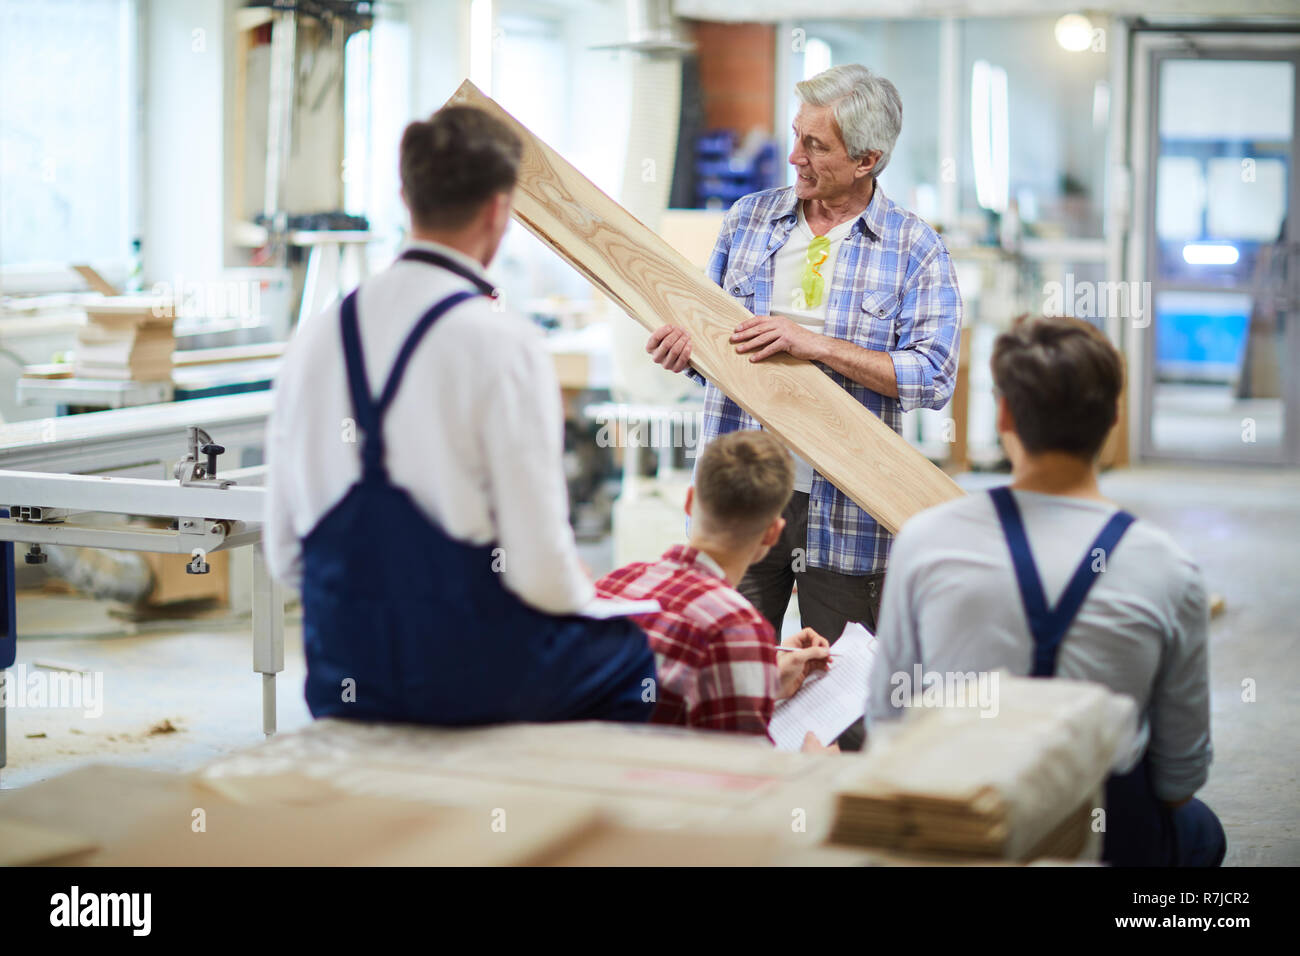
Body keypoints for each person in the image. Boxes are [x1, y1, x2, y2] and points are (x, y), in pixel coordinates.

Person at [264, 105, 655, 725]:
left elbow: (286, 556)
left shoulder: (314, 337)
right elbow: (538, 575)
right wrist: (585, 594)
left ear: (405, 197)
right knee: (635, 664)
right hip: (465, 677)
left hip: (343, 669)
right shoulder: (502, 340)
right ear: (500, 210)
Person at [869, 315, 1225, 867]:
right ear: (1113, 417)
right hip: (1106, 828)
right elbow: (1180, 779)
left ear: (1005, 413)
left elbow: (887, 727)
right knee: (1201, 830)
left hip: (959, 815)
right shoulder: (1169, 568)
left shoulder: (927, 541)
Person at [645, 63, 962, 644]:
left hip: (849, 507)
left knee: (842, 691)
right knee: (725, 662)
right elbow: (707, 344)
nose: (794, 157)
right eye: (796, 136)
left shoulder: (915, 246)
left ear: (866, 160)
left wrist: (814, 345)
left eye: (815, 145)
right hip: (742, 499)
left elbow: (934, 376)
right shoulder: (748, 221)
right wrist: (682, 350)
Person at [596, 431, 830, 741]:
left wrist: (764, 681)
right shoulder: (735, 629)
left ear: (690, 501)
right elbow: (743, 770)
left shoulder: (614, 584)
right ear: (772, 534)